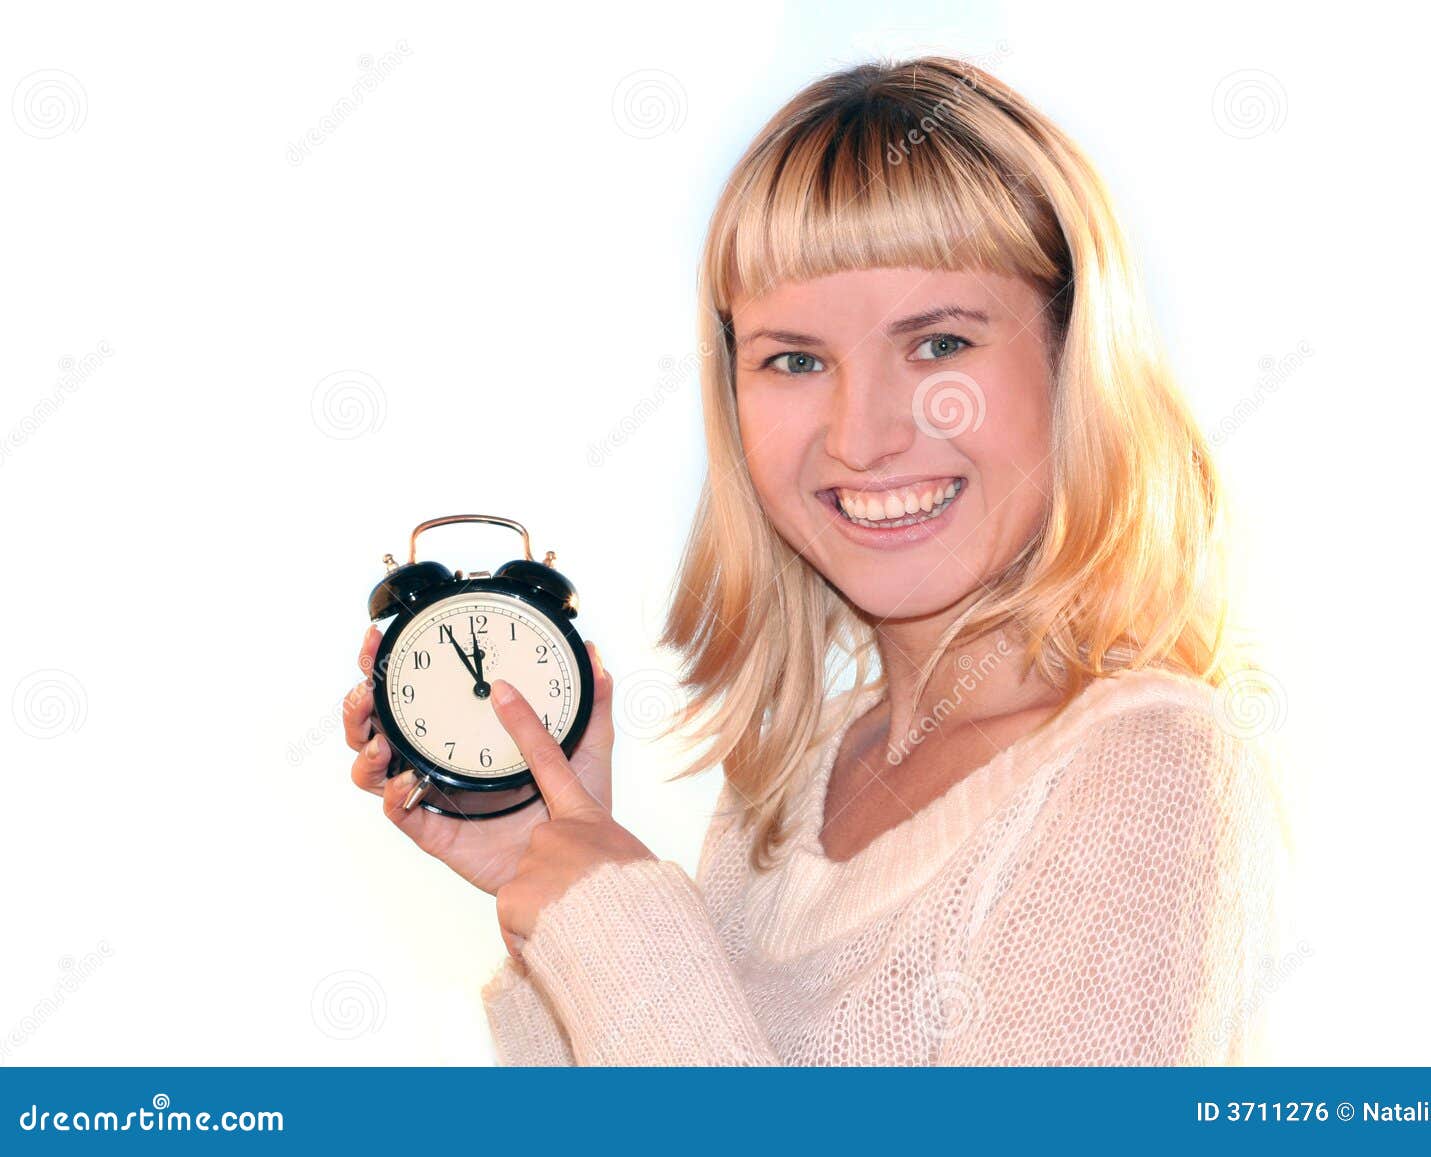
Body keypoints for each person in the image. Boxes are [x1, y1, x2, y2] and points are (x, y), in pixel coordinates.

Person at [343, 55, 1283, 1065]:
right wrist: (554, 887)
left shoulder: (1142, 760)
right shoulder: (793, 782)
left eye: (938, 345)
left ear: (1070, 356)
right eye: (795, 359)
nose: (862, 435)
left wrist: (621, 929)